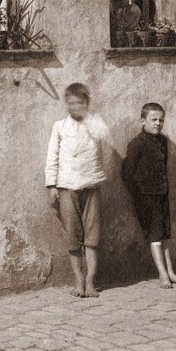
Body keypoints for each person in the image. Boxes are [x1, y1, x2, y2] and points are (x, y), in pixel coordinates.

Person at [44, 82, 108, 298]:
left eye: (79, 103)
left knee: (92, 237)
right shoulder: (60, 127)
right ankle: (78, 281)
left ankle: (90, 281)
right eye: (70, 103)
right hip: (67, 187)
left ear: (87, 103)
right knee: (73, 236)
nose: (74, 107)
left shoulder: (95, 124)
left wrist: (88, 119)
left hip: (91, 186)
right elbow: (52, 156)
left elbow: (103, 138)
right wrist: (52, 185)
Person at [121, 102, 176, 289]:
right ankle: (162, 274)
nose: (158, 123)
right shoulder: (137, 143)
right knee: (155, 235)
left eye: (161, 120)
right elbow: (126, 172)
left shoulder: (163, 142)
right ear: (143, 121)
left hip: (161, 193)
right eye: (153, 119)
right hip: (146, 197)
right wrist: (139, 193)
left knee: (165, 233)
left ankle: (171, 272)